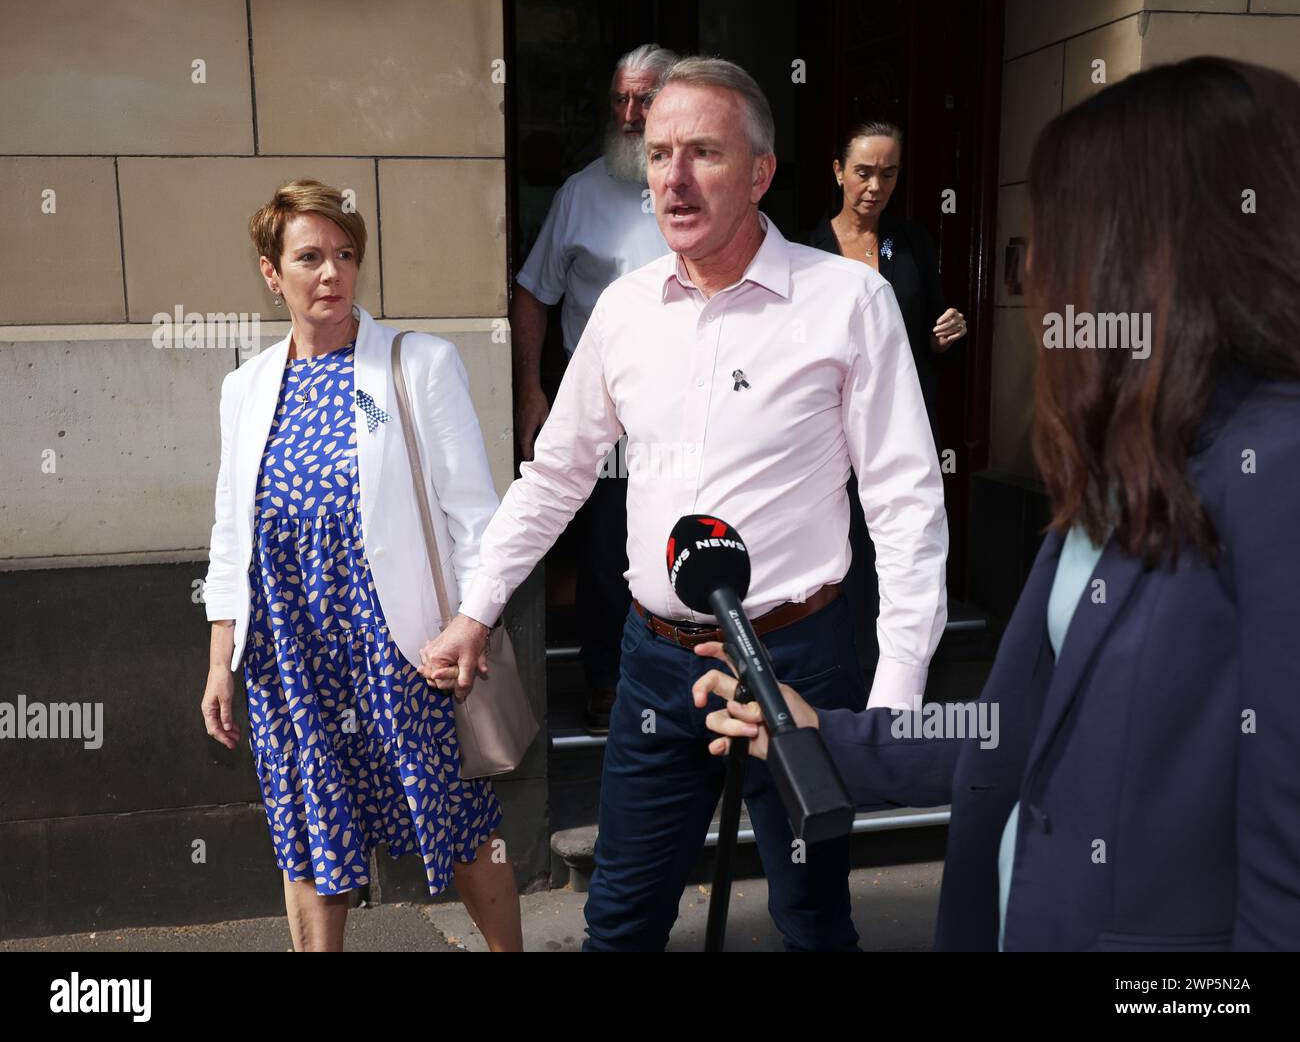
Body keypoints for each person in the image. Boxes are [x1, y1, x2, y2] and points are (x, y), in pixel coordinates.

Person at [695, 56, 1300, 951]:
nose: (1038, 266)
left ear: (1157, 250)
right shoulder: (1125, 466)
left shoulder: (1278, 475)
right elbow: (1013, 727)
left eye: (1063, 228)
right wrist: (834, 735)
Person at [423, 58, 947, 951]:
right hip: (657, 665)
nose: (672, 176)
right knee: (620, 919)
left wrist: (890, 706)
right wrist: (478, 610)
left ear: (760, 174)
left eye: (703, 151)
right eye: (659, 152)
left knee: (813, 918)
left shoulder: (848, 301)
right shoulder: (624, 312)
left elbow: (904, 504)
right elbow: (556, 475)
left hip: (798, 665)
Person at [199, 179, 522, 952]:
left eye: (345, 255)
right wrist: (220, 660)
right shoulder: (245, 389)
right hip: (290, 658)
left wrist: (467, 628)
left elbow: (475, 518)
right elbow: (229, 530)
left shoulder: (417, 367)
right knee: (311, 834)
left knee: (463, 827)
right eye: (309, 257)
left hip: (403, 653)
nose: (331, 273)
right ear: (271, 273)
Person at [512, 43, 678, 732]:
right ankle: (607, 681)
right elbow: (532, 293)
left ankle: (689, 675)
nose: (631, 114)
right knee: (610, 545)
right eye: (622, 99)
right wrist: (530, 391)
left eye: (646, 99)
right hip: (604, 405)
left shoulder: (697, 189)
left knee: (685, 536)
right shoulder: (580, 193)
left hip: (689, 402)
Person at [807, 121, 967, 424]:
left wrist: (947, 332)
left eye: (888, 174)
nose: (876, 187)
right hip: (830, 416)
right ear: (839, 171)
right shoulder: (806, 250)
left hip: (902, 412)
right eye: (864, 173)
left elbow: (932, 334)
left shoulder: (913, 242)